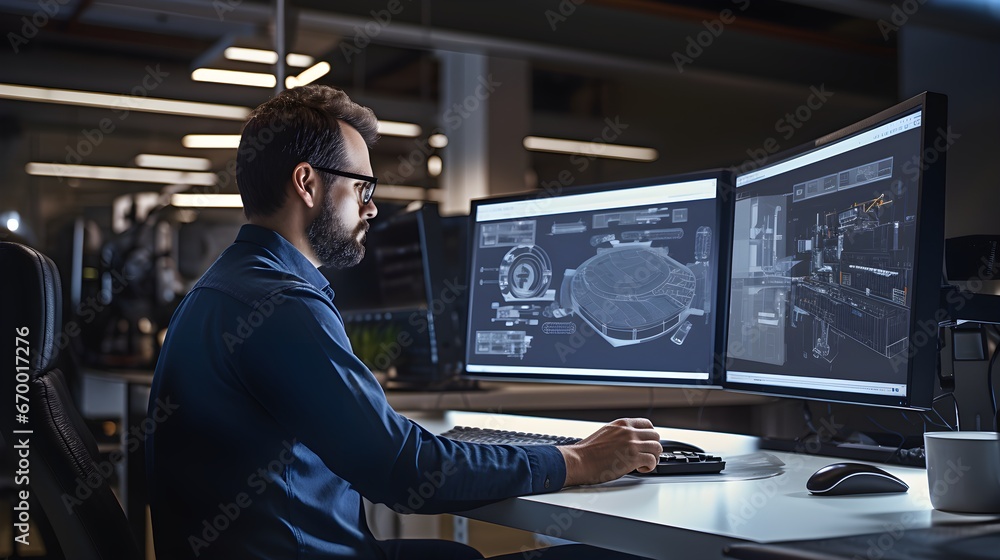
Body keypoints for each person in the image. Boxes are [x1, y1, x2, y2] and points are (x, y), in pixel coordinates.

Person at [146, 84, 662, 560]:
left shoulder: (223, 288)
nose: (371, 209)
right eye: (362, 188)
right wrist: (578, 462)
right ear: (306, 183)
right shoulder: (280, 302)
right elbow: (404, 473)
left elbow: (383, 449)